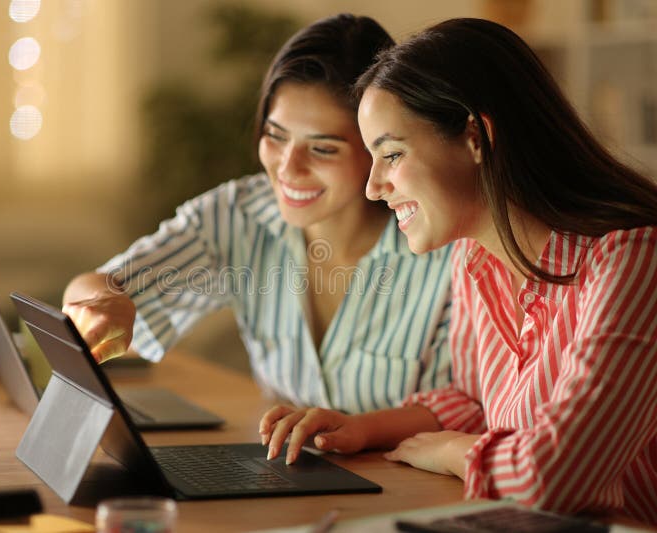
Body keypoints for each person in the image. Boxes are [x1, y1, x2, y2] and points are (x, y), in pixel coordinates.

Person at [259, 17, 657, 523]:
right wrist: (362, 428)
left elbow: (555, 474)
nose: (373, 187)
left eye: (392, 155)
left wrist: (454, 453)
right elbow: (471, 396)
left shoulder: (633, 259)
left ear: (476, 137)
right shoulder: (474, 259)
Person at [61, 14, 454, 414]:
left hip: (409, 475)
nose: (287, 168)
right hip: (290, 470)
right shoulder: (238, 214)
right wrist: (103, 302)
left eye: (323, 148)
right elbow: (91, 287)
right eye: (275, 136)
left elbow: (464, 410)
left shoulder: (440, 241)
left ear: (378, 147)